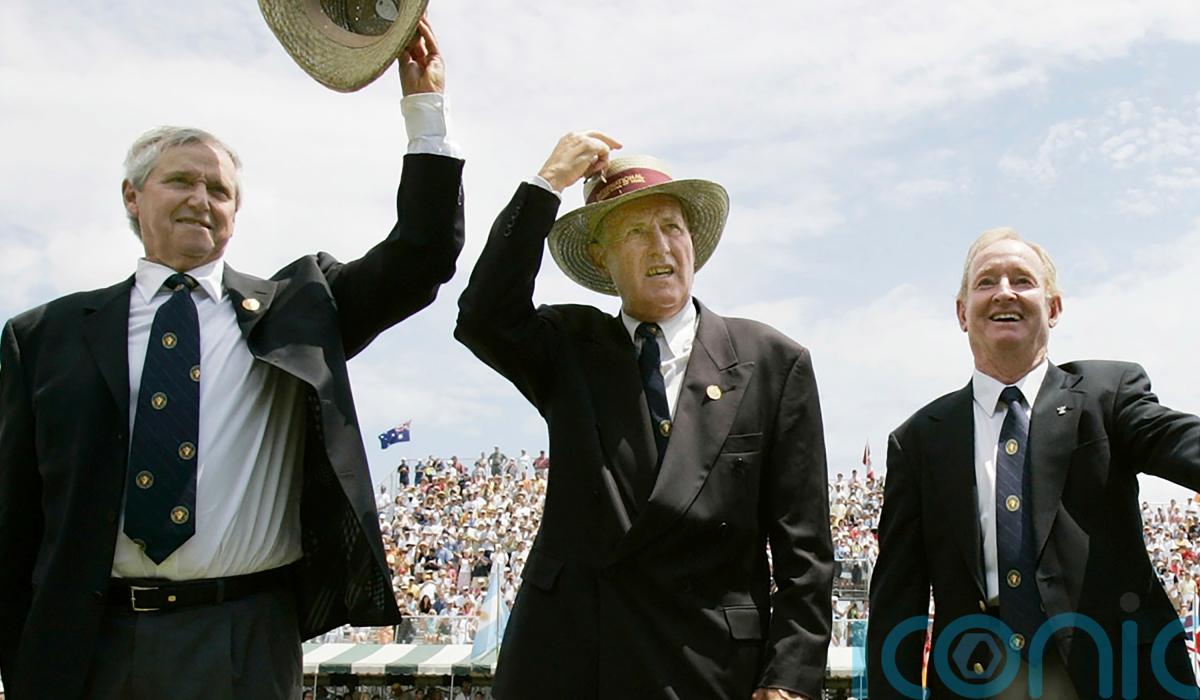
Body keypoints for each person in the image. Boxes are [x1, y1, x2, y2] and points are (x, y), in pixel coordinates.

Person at [0, 19, 464, 700]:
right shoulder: (44, 335)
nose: (201, 199)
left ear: (236, 212)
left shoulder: (299, 309)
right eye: (180, 181)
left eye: (219, 190)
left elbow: (422, 254)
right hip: (88, 638)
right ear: (133, 197)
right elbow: (13, 523)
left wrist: (425, 114)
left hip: (244, 636)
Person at [455, 131, 833, 699]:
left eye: (672, 228)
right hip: (574, 665)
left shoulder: (772, 362)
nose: (660, 246)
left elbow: (805, 551)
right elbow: (484, 314)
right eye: (636, 231)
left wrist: (788, 680)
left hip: (710, 669)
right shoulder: (570, 349)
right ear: (601, 257)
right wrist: (544, 186)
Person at [867, 228, 1200, 699]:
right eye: (986, 282)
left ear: (1054, 308)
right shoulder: (919, 439)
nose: (1004, 291)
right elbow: (897, 596)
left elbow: (1182, 442)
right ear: (962, 313)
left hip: (1113, 669)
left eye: (1022, 280)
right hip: (978, 677)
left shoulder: (1109, 395)